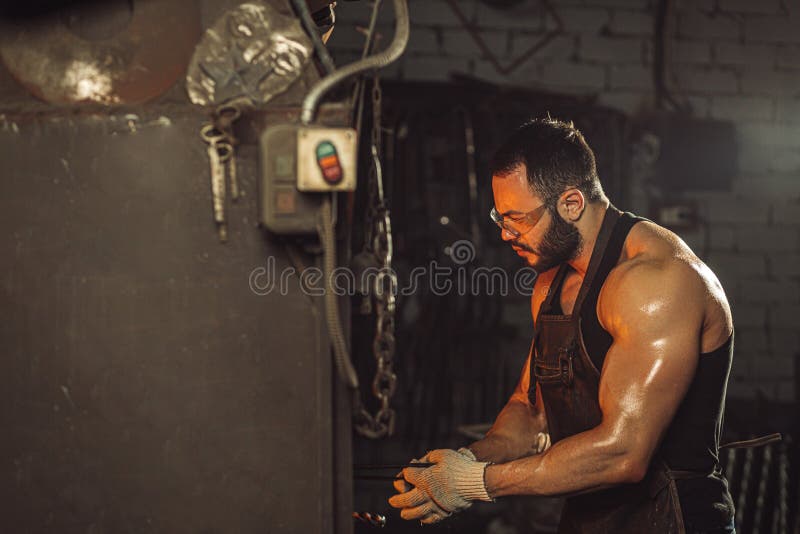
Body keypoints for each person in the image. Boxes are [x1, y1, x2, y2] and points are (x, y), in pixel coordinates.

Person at [388, 118, 737, 533]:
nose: (505, 234)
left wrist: (476, 484)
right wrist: (467, 461)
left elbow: (623, 454)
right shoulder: (552, 282)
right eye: (500, 218)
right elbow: (529, 411)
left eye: (517, 218)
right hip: (587, 519)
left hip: (672, 521)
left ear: (571, 203)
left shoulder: (656, 281)